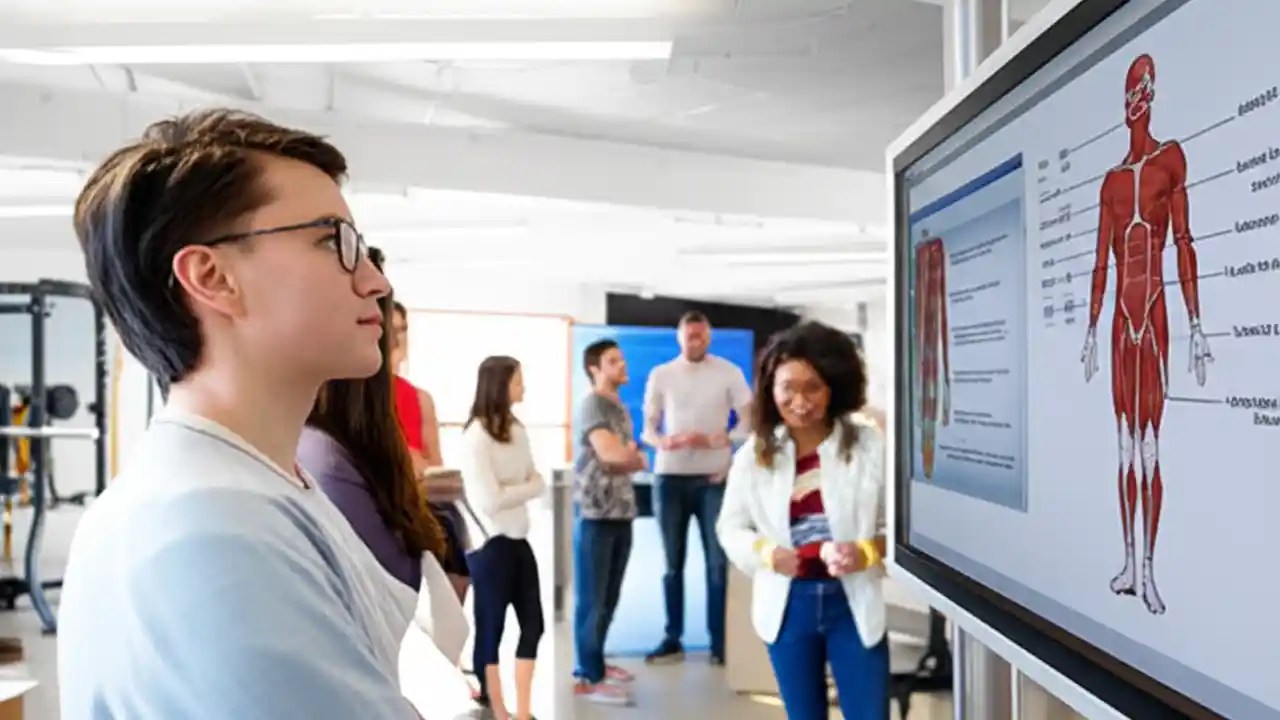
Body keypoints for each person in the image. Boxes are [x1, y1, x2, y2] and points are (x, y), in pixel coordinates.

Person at [58, 109, 423, 718]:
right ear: (213, 276)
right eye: (335, 243)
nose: (375, 282)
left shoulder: (248, 487)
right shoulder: (213, 522)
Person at [1081, 53, 1212, 616]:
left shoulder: (1170, 161)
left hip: (1154, 314)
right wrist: (1089, 328)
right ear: (1125, 98)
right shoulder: (1110, 182)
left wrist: (1197, 324)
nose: (1140, 96)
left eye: (1146, 87)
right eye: (1133, 87)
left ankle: (1150, 571)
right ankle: (1129, 564)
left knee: (1151, 448)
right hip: (1119, 323)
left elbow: (1184, 241)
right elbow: (1100, 265)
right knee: (1123, 445)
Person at [716, 321, 889, 720]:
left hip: (852, 601)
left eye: (813, 387)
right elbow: (730, 527)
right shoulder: (755, 455)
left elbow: (897, 526)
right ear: (770, 390)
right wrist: (765, 553)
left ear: (834, 386)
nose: (799, 401)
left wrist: (865, 552)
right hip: (788, 603)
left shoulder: (868, 445)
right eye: (787, 388)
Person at [641, 311, 752, 665]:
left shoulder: (728, 372)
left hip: (712, 478)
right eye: (690, 337)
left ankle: (721, 642)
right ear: (680, 338)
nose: (695, 342)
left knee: (716, 563)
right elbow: (647, 428)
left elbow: (749, 418)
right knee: (672, 563)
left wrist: (727, 439)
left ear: (709, 337)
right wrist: (662, 441)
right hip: (670, 477)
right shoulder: (662, 374)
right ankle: (672, 637)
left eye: (701, 337)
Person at [460, 356, 547, 720]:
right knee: (491, 628)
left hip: (518, 539)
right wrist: (523, 488)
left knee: (534, 623)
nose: (523, 387)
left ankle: (523, 711)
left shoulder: (517, 428)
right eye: (517, 381)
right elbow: (487, 500)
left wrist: (516, 487)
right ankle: (497, 709)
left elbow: (537, 480)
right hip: (490, 545)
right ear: (500, 385)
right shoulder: (476, 436)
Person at [572, 339, 647, 706]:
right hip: (596, 515)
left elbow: (627, 456)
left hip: (621, 511)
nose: (622, 365)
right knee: (592, 598)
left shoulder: (617, 406)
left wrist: (630, 457)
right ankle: (588, 675)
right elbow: (613, 454)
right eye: (612, 361)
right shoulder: (593, 405)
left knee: (609, 595)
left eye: (621, 358)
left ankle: (597, 661)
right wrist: (631, 457)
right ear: (594, 369)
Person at [389, 300, 472, 603]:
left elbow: (432, 462)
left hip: (419, 496)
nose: (398, 338)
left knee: (451, 529)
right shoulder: (353, 396)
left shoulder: (419, 398)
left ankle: (448, 639)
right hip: (384, 496)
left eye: (403, 329)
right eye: (390, 330)